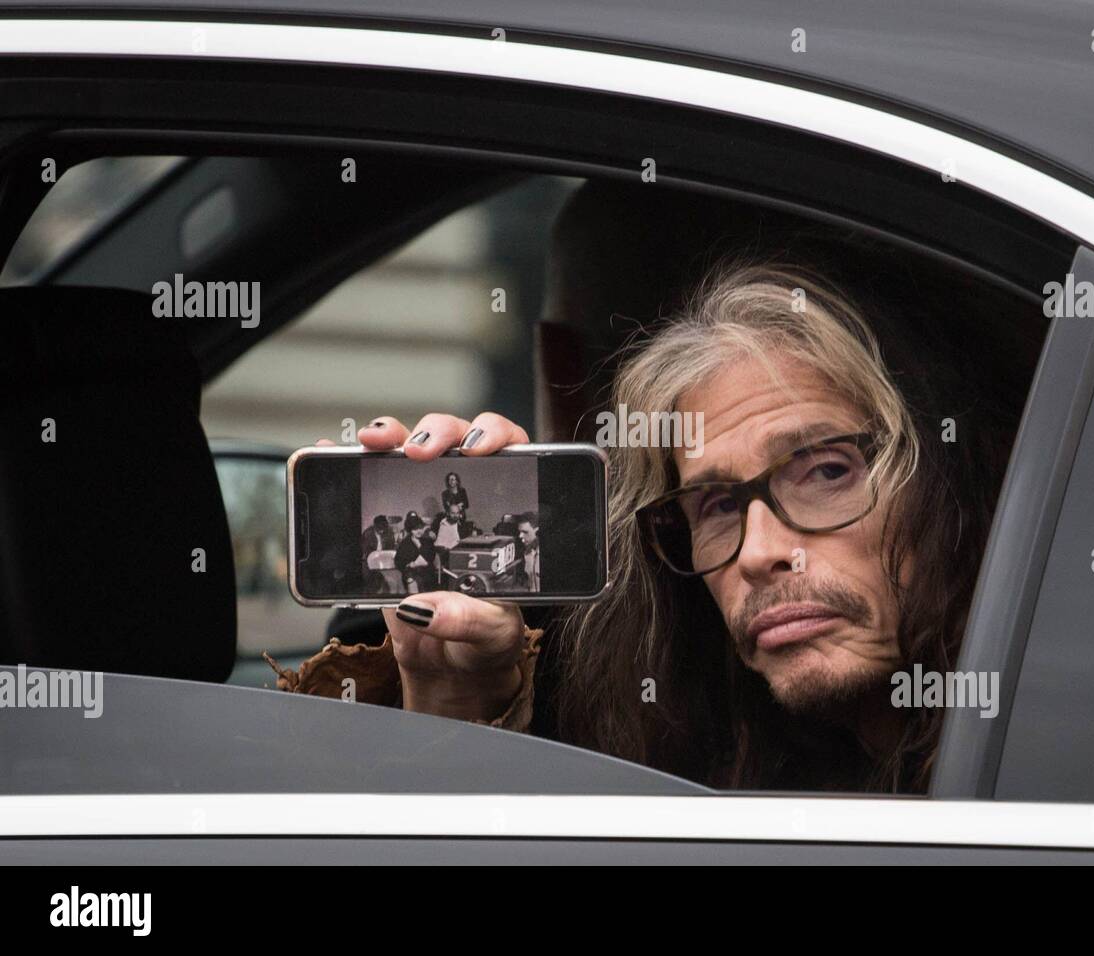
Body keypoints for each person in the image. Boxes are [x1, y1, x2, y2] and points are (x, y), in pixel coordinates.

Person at [268, 258, 1023, 792]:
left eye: (826, 471)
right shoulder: (670, 765)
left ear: (950, 482)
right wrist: (460, 706)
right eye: (718, 504)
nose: (759, 554)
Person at [393, 511, 437, 594]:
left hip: (427, 573)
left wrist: (419, 545)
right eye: (415, 529)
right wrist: (409, 565)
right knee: (410, 577)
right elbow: (398, 561)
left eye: (420, 528)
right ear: (410, 530)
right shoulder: (405, 543)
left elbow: (431, 557)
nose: (418, 531)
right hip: (411, 573)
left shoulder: (428, 541)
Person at [515, 512, 541, 592]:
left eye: (525, 532)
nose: (520, 536)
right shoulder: (527, 553)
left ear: (537, 532)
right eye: (520, 532)